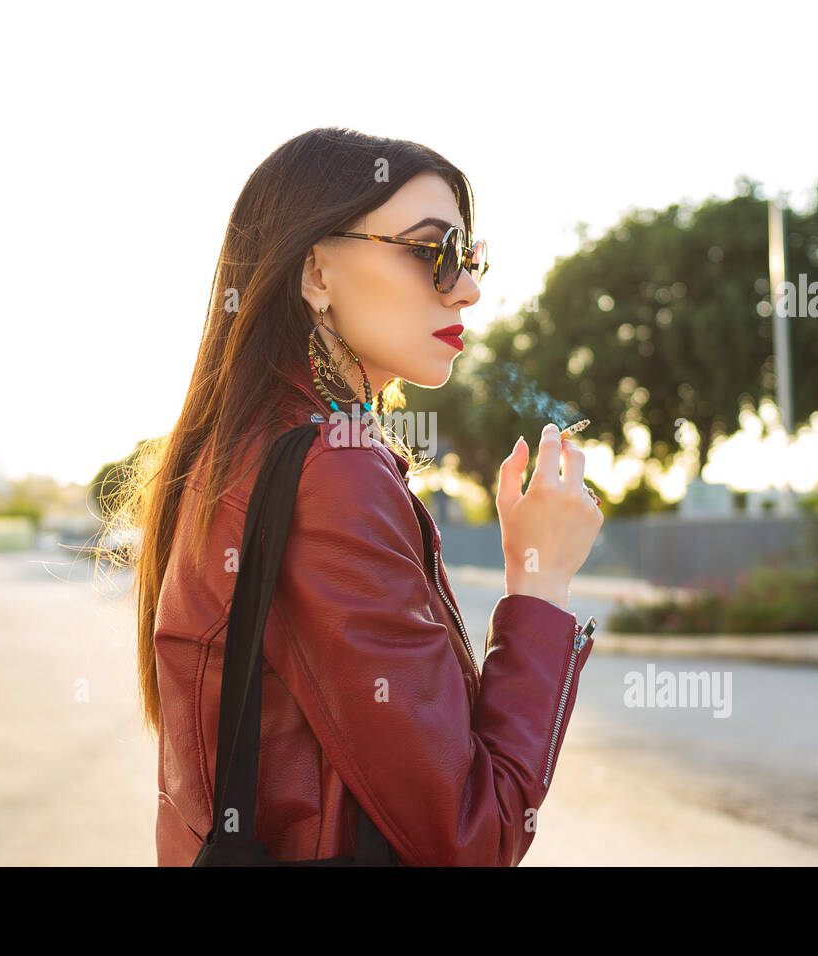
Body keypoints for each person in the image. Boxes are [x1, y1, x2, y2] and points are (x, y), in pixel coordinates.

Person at [119, 127, 604, 866]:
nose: (469, 288)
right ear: (315, 273)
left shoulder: (241, 450)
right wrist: (540, 583)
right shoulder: (331, 475)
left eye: (470, 260)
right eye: (433, 252)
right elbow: (471, 838)